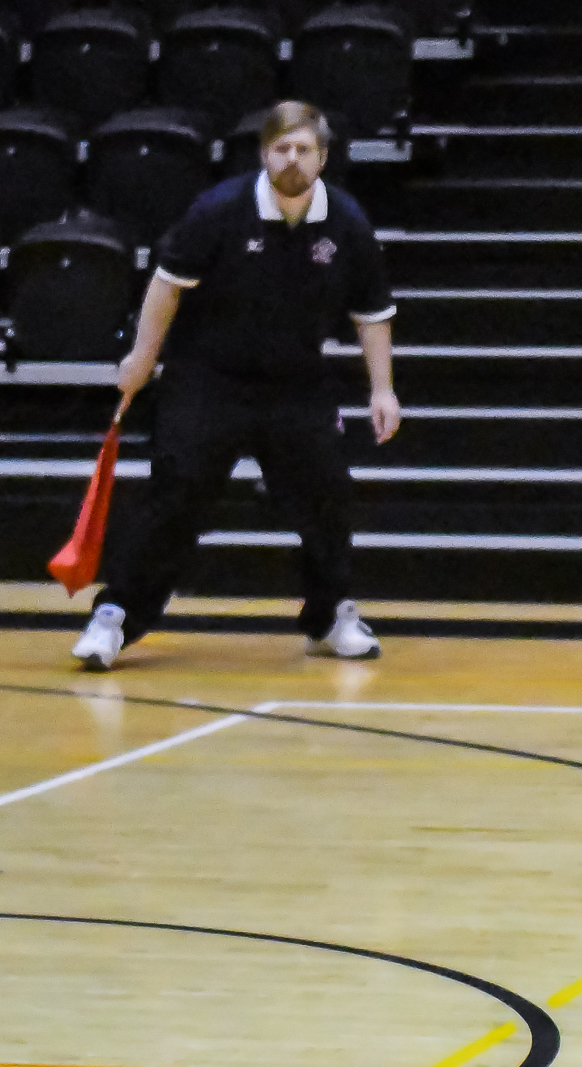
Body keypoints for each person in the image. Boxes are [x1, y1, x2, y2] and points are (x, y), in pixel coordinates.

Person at [71, 102, 397, 673]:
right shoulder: (219, 210)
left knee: (326, 496)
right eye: (281, 148)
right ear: (264, 153)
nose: (291, 159)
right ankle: (115, 616)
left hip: (296, 383)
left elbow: (372, 312)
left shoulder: (346, 222)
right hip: (208, 378)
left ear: (322, 157)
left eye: (303, 149)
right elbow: (166, 287)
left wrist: (383, 390)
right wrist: (142, 358)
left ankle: (333, 615)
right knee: (176, 497)